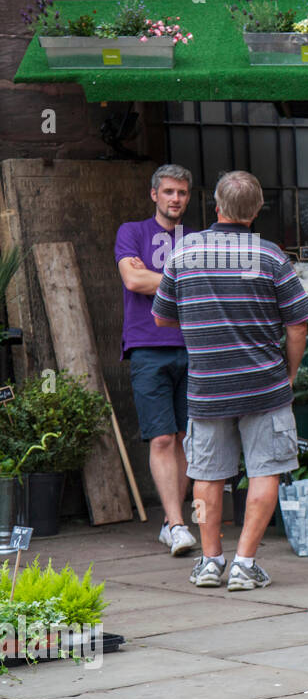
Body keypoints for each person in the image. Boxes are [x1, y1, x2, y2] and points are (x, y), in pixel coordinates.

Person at [152, 171, 308, 590]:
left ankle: (210, 562)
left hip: (207, 385)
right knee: (266, 471)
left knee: (206, 477)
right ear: (257, 210)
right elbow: (298, 325)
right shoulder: (271, 256)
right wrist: (290, 373)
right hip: (265, 385)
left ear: (216, 207)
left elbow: (161, 316)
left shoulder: (184, 252)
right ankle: (244, 563)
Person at [114, 164, 198, 557]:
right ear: (154, 195)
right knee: (162, 436)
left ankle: (171, 521)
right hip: (148, 346)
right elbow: (132, 281)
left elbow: (149, 280)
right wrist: (184, 280)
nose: (175, 199)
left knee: (186, 437)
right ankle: (178, 525)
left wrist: (156, 277)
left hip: (194, 346)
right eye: (168, 192)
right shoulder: (132, 232)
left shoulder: (197, 239)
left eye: (181, 192)